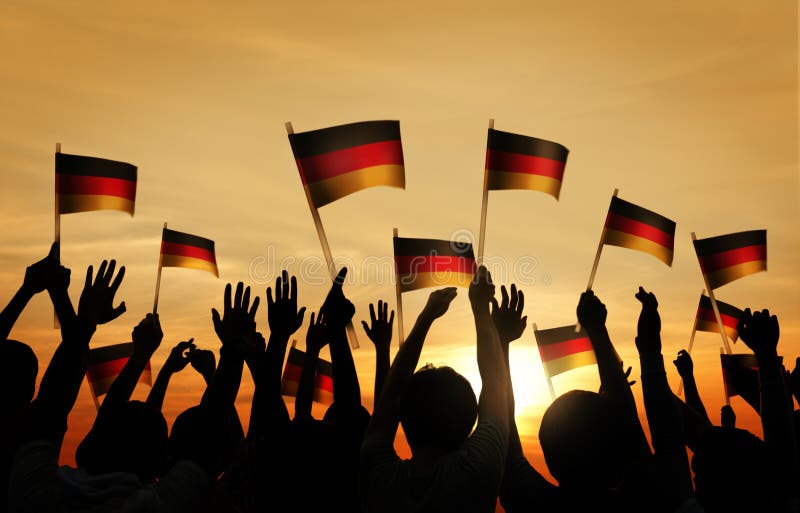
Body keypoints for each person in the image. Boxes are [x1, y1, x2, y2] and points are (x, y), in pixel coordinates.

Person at [360, 266, 509, 513]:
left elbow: (391, 392)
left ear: (404, 417)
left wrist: (426, 317)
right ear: (469, 420)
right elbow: (496, 380)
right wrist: (481, 307)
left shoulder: (378, 477)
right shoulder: (480, 470)